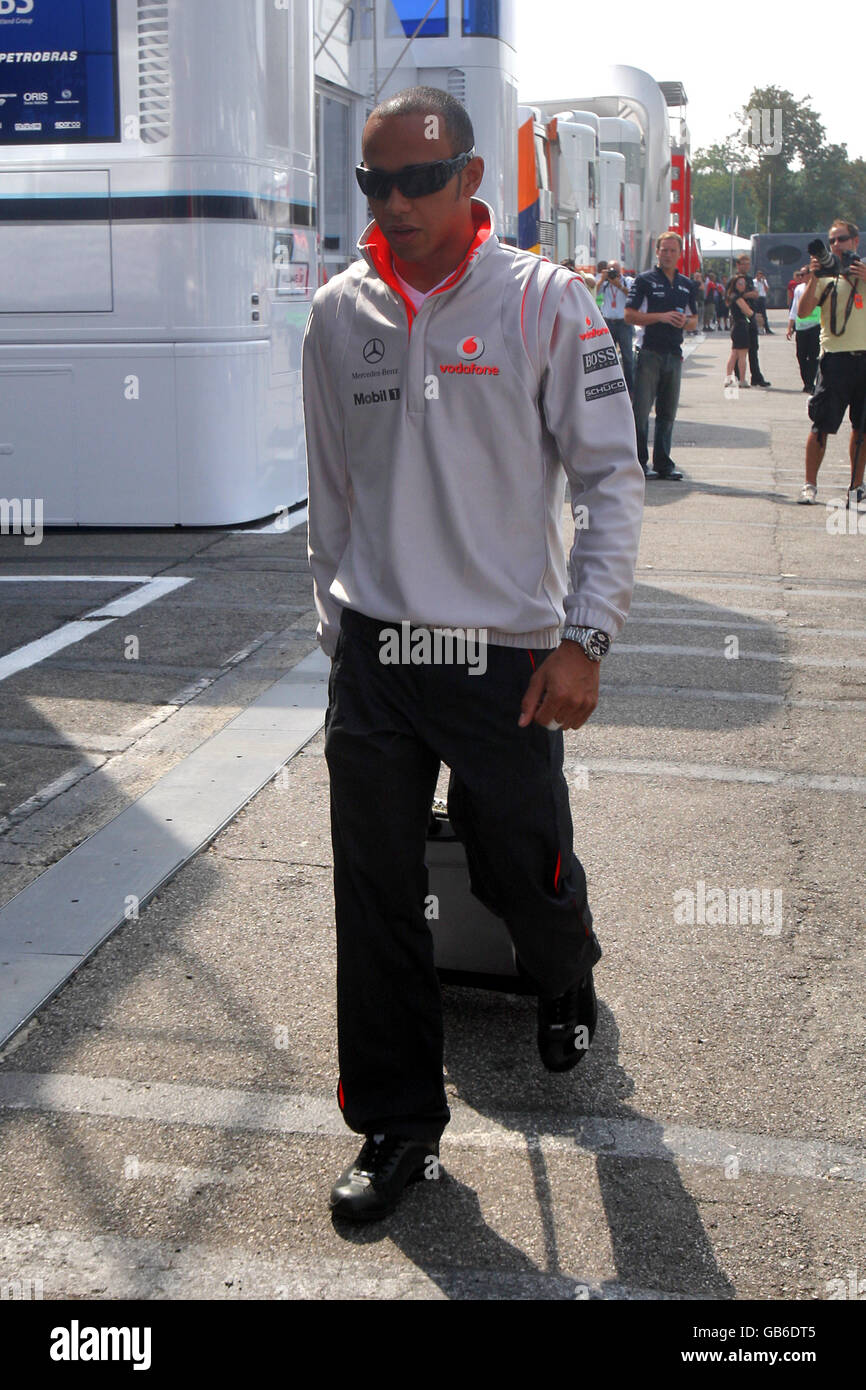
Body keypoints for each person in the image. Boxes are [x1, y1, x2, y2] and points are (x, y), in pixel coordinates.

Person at [303, 86, 644, 1222]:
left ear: (470, 182)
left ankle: (562, 970)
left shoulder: (545, 302)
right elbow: (331, 498)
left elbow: (609, 479)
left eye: (418, 178)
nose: (394, 201)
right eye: (375, 181)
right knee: (376, 895)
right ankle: (397, 1126)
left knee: (515, 863)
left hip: (503, 654)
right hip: (377, 655)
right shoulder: (336, 313)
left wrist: (584, 639)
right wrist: (336, 631)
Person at [796, 218, 866, 505]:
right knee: (821, 423)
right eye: (832, 241)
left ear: (856, 242)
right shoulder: (824, 276)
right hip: (835, 360)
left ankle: (856, 486)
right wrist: (814, 276)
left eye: (842, 239)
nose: (837, 246)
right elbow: (803, 313)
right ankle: (809, 485)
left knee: (862, 428)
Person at [625, 230, 698, 479]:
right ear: (657, 252)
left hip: (674, 354)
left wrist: (683, 322)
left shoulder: (686, 284)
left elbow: (695, 320)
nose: (667, 254)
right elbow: (629, 315)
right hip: (648, 353)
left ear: (680, 254)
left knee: (668, 413)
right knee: (641, 412)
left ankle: (664, 464)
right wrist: (661, 317)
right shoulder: (644, 280)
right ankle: (638, 463)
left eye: (672, 250)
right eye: (663, 250)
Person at [726, 255, 771, 387]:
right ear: (738, 265)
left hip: (750, 317)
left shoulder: (749, 279)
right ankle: (738, 376)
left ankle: (756, 376)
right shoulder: (734, 280)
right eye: (743, 264)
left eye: (748, 264)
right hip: (739, 318)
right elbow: (730, 297)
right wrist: (747, 295)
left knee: (753, 348)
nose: (746, 266)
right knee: (738, 351)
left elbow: (756, 294)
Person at [598, 258, 635, 395]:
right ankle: (609, 387)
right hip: (608, 322)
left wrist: (619, 285)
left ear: (621, 271)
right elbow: (594, 293)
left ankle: (630, 388)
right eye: (611, 271)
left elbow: (632, 295)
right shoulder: (604, 283)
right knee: (608, 358)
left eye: (616, 271)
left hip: (623, 323)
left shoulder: (628, 281)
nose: (614, 274)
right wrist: (603, 279)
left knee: (627, 357)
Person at [786, 266, 821, 393]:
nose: (801, 277)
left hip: (815, 326)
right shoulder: (799, 289)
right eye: (799, 274)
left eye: (803, 274)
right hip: (801, 327)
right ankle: (807, 380)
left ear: (811, 274)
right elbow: (794, 309)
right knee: (800, 356)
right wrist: (790, 327)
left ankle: (810, 383)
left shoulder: (819, 288)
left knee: (813, 357)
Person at [724, 276, 753, 389]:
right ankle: (742, 379)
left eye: (744, 283)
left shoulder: (732, 296)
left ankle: (728, 378)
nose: (743, 285)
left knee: (734, 354)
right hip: (741, 326)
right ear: (735, 284)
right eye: (740, 283)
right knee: (742, 355)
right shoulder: (737, 298)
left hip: (736, 326)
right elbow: (748, 312)